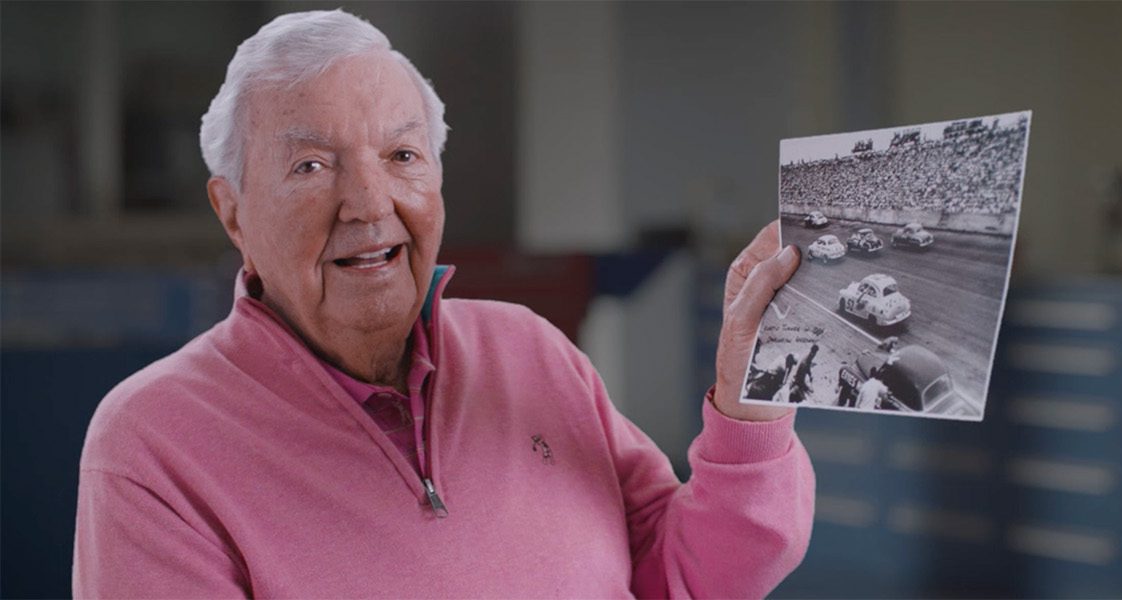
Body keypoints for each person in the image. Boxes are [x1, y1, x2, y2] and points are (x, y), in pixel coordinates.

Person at [71, 9, 814, 598]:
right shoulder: (154, 441)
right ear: (232, 212)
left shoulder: (529, 350)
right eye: (310, 164)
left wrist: (750, 397)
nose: (369, 203)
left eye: (401, 156)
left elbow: (690, 577)